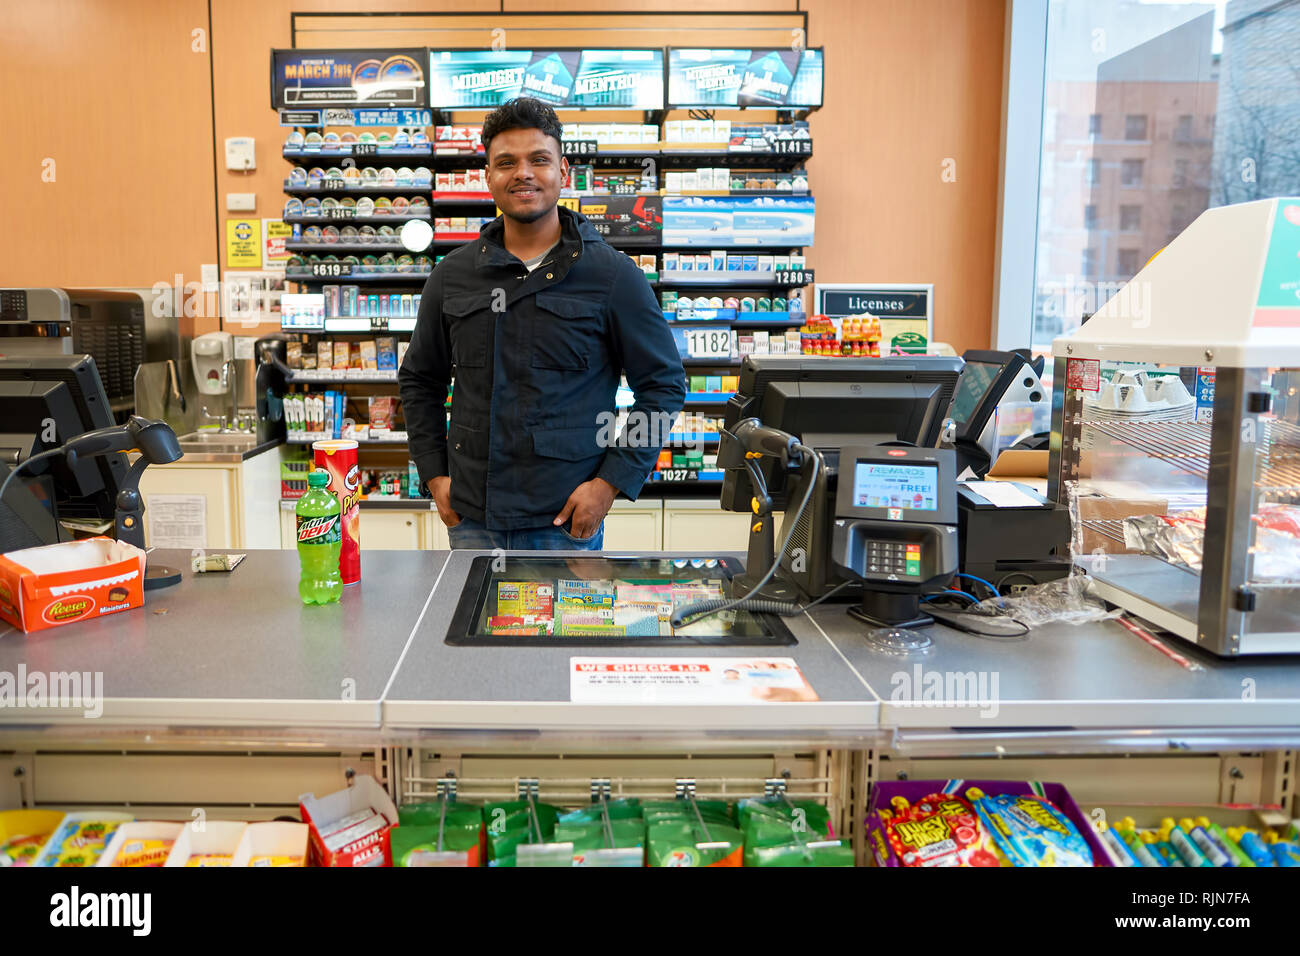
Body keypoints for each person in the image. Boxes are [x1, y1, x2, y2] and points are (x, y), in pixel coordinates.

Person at [399, 97, 685, 550]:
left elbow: (664, 386)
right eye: (506, 162)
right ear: (488, 175)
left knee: (564, 627)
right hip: (473, 518)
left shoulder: (612, 276)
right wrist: (434, 474)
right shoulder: (452, 276)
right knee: (470, 624)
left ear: (563, 171)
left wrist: (611, 482)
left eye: (539, 160)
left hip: (565, 523)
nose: (523, 173)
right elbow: (419, 381)